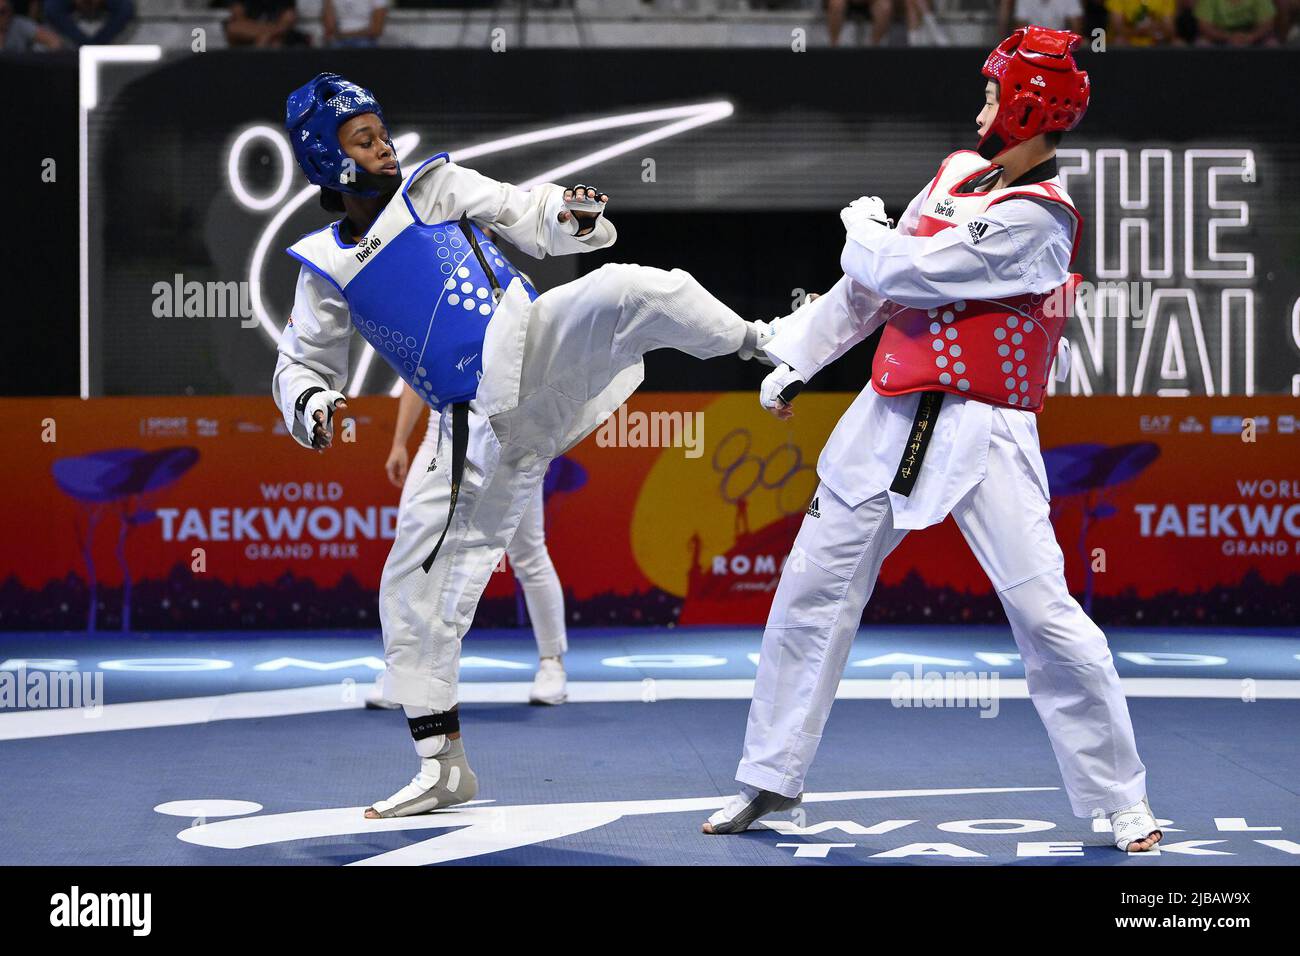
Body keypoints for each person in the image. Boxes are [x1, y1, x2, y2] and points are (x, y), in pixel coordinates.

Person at [705, 27, 1164, 853]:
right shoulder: (956, 173)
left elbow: (909, 274)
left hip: (985, 432)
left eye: (993, 93)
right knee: (809, 592)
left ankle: (1118, 795)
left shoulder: (1044, 221)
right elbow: (868, 295)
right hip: (884, 417)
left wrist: (864, 232)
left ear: (1029, 106)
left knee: (1046, 615)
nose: (979, 105)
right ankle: (770, 780)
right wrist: (796, 358)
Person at [273, 74, 766, 819]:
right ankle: (442, 767)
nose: (384, 147)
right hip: (464, 424)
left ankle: (767, 341)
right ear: (326, 160)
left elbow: (526, 212)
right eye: (363, 140)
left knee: (634, 289)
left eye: (381, 132)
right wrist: (312, 401)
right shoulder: (326, 266)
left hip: (531, 349)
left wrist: (568, 214)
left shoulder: (433, 189)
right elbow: (301, 362)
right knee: (410, 589)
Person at [384, 384, 569, 705]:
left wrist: (547, 440)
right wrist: (399, 442)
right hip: (442, 434)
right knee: (410, 550)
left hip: (513, 441)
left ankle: (552, 663)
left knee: (528, 552)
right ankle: (405, 672)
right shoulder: (435, 329)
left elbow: (549, 376)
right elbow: (415, 377)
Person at [1194, 0, 1277, 44]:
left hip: (1253, 37)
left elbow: (1267, 23)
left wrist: (1252, 37)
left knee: (1272, 45)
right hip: (1218, 38)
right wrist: (1227, 37)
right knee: (1201, 44)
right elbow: (1204, 25)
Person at [0, 0, 64, 49]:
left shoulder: (18, 23)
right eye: (2, 12)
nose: (6, 15)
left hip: (21, 64)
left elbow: (54, 41)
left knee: (39, 47)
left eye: (8, 10)